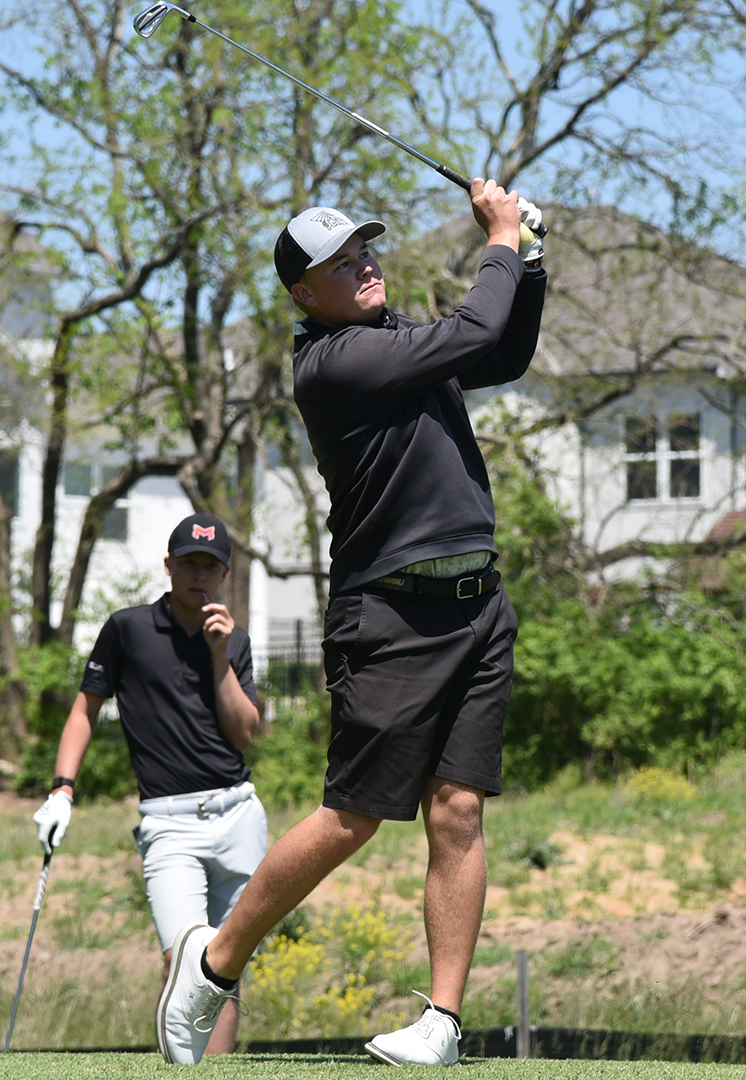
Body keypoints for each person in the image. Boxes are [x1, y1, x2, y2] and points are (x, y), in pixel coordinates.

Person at [155, 178, 546, 1066]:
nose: (363, 265)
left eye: (364, 249)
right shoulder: (335, 364)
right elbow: (479, 329)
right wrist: (501, 236)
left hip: (478, 606)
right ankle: (212, 966)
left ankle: (441, 1026)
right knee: (351, 818)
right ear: (305, 294)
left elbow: (505, 351)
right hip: (392, 617)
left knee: (458, 812)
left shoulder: (400, 339)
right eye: (340, 263)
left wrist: (532, 259)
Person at [33, 512, 267, 1058]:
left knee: (223, 968)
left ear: (225, 573)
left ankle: (215, 1072)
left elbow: (245, 733)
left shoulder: (235, 641)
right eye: (189, 563)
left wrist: (218, 657)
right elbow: (85, 710)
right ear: (168, 566)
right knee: (183, 960)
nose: (199, 576)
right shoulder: (128, 629)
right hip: (168, 822)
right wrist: (63, 788)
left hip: (237, 814)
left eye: (210, 566)